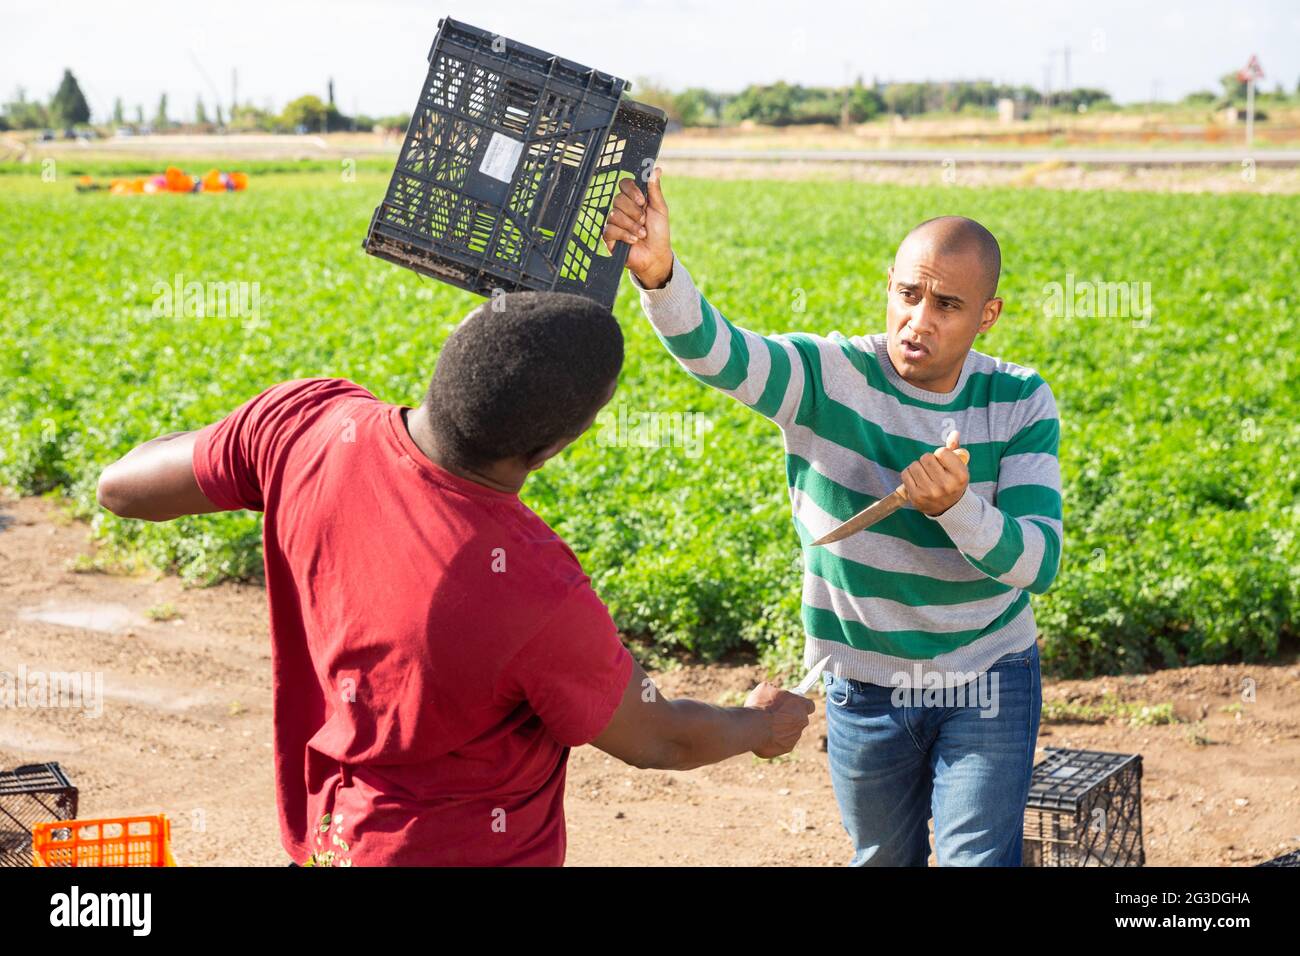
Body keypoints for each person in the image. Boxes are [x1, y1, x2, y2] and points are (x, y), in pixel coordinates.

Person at [96, 290, 814, 866]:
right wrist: (759, 725)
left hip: (334, 841)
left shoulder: (308, 424)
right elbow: (659, 738)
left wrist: (249, 442)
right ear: (555, 447)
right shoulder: (534, 588)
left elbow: (122, 487)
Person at [602, 169, 1062, 866]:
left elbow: (1037, 562)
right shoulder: (830, 377)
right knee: (882, 856)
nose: (919, 319)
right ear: (889, 285)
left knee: (979, 859)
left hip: (986, 676)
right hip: (863, 684)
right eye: (908, 294)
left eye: (947, 304)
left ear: (987, 316)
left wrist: (957, 510)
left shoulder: (1020, 400)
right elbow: (722, 354)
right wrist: (660, 273)